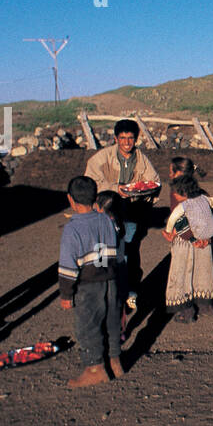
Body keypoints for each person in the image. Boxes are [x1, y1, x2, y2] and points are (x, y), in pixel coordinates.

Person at [84, 119, 160, 310]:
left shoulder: (140, 157)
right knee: (106, 252)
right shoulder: (101, 158)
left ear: (136, 139)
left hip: (131, 213)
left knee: (130, 251)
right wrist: (114, 189)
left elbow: (154, 180)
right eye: (123, 138)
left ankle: (131, 292)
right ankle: (109, 293)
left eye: (131, 138)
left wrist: (144, 191)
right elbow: (90, 183)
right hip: (106, 213)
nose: (127, 143)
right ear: (116, 139)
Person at [58, 176, 122, 388]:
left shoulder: (72, 228)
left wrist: (66, 294)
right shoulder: (106, 220)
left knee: (89, 326)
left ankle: (95, 369)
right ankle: (114, 362)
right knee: (111, 322)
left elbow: (68, 266)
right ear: (95, 198)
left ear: (71, 200)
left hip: (87, 285)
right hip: (111, 279)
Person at [161, 159, 213, 321]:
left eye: (172, 172)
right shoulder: (203, 193)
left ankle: (186, 310)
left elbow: (178, 219)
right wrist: (209, 238)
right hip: (204, 240)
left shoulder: (176, 193)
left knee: (183, 272)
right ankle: (206, 306)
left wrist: (178, 233)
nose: (170, 175)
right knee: (203, 271)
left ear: (180, 173)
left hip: (185, 240)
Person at [94, 190, 130, 342]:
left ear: (102, 208)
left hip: (107, 269)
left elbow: (101, 254)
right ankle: (121, 330)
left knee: (107, 302)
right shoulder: (118, 222)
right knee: (118, 301)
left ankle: (109, 332)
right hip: (120, 265)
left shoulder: (103, 227)